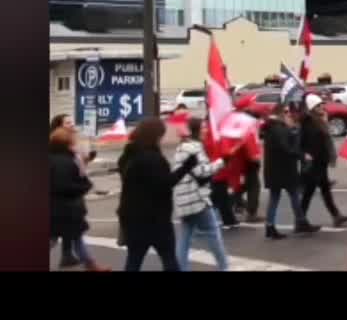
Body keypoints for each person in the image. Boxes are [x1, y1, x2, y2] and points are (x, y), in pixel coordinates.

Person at [118, 118, 197, 271]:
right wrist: (187, 166)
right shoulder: (153, 159)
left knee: (134, 260)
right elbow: (165, 183)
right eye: (162, 134)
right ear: (155, 136)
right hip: (156, 220)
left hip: (132, 218)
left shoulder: (128, 155)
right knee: (169, 260)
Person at [172, 116, 230, 271]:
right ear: (196, 131)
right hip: (196, 199)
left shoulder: (182, 148)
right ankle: (224, 267)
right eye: (203, 127)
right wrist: (221, 162)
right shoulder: (194, 148)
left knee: (184, 238)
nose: (206, 130)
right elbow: (201, 172)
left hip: (184, 200)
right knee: (213, 233)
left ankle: (182, 269)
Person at [50, 126, 109, 271]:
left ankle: (91, 265)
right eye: (73, 141)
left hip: (57, 207)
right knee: (73, 237)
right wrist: (84, 186)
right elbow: (64, 185)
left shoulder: (56, 158)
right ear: (67, 143)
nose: (75, 143)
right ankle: (91, 266)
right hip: (66, 208)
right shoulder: (65, 161)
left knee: (67, 238)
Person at [262, 104, 318, 239]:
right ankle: (300, 222)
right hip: (284, 169)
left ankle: (271, 227)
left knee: (278, 197)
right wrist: (302, 155)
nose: (290, 115)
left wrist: (292, 130)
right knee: (293, 195)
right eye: (287, 112)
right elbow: (287, 148)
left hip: (275, 170)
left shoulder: (272, 127)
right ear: (281, 113)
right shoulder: (278, 128)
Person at [299, 95, 347, 229]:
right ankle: (300, 221)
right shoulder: (307, 122)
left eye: (322, 104)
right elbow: (301, 142)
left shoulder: (318, 120)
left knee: (325, 190)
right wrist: (304, 154)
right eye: (319, 105)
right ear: (312, 108)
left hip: (320, 162)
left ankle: (336, 216)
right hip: (313, 164)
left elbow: (324, 139)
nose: (322, 107)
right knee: (308, 193)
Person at [231, 95, 262, 222]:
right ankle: (251, 213)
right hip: (248, 158)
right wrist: (254, 156)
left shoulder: (238, 119)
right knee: (254, 185)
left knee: (245, 184)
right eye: (251, 104)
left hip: (242, 158)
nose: (254, 106)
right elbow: (248, 140)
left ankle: (234, 201)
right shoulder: (245, 121)